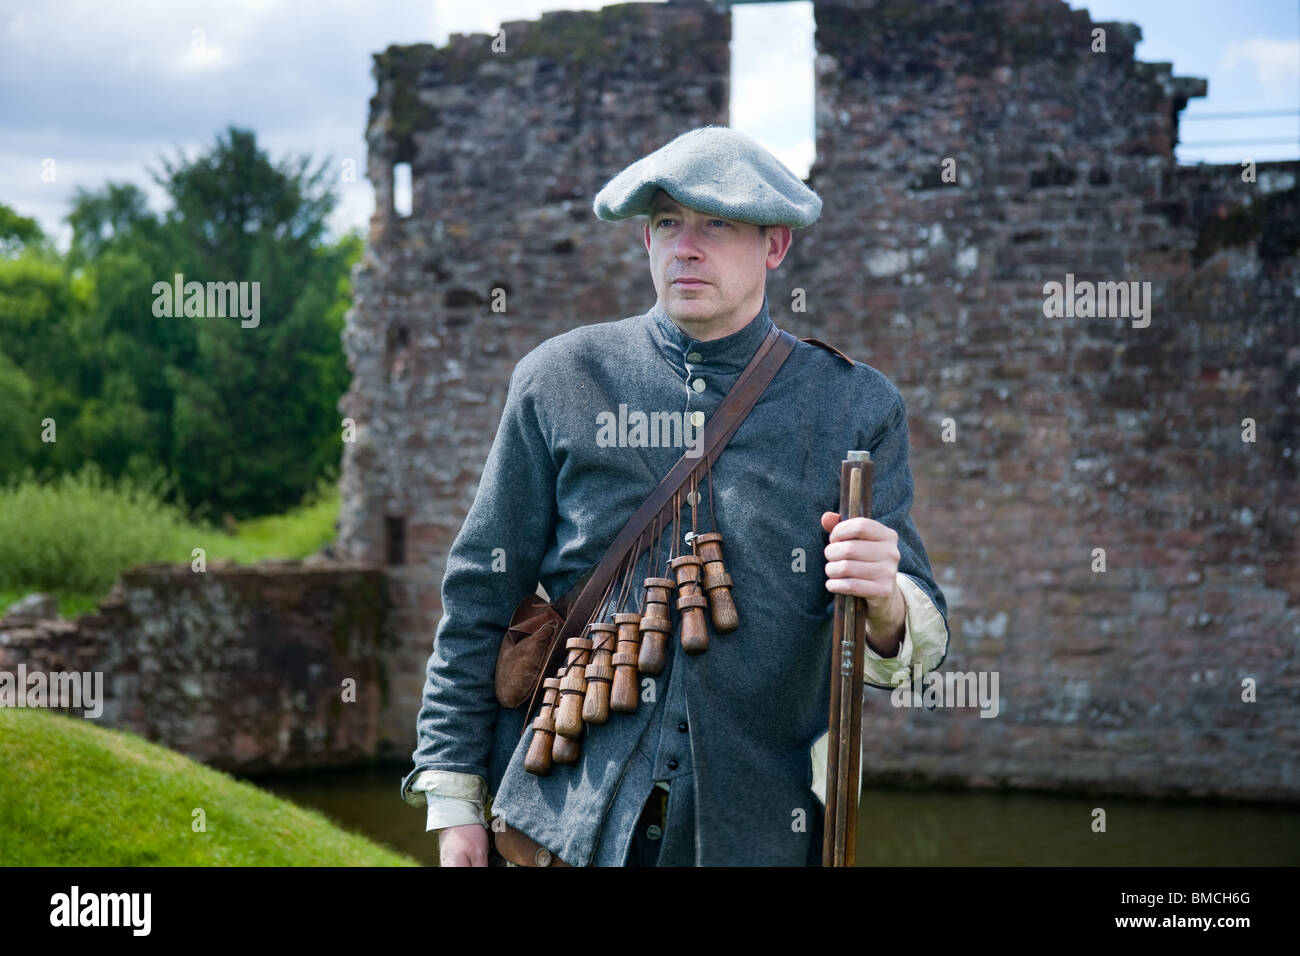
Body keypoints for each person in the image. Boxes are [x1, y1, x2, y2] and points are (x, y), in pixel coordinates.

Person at [399, 126, 951, 867]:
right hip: (560, 816)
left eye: (716, 225)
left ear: (775, 246)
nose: (685, 248)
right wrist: (455, 800)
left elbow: (911, 653)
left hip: (757, 830)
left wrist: (885, 600)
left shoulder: (857, 406)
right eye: (666, 224)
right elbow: (479, 594)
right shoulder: (559, 378)